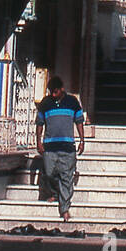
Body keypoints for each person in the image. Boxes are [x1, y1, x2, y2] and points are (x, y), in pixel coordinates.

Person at [36, 76, 85, 221]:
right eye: (51, 91)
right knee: (49, 173)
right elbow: (39, 124)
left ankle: (64, 209)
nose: (53, 94)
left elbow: (79, 122)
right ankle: (54, 193)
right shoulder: (45, 103)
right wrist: (38, 142)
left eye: (55, 91)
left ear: (62, 89)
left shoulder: (73, 102)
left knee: (67, 178)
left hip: (68, 147)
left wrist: (82, 141)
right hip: (50, 147)